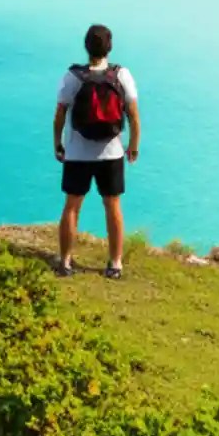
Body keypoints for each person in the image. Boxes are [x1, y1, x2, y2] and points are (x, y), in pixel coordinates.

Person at [52, 24, 141, 279]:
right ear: (109, 47)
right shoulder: (121, 75)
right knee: (112, 207)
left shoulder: (73, 77)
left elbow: (60, 114)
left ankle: (66, 262)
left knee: (72, 206)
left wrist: (58, 143)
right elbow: (133, 116)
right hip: (111, 153)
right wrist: (133, 146)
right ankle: (114, 264)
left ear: (86, 46)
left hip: (78, 153)